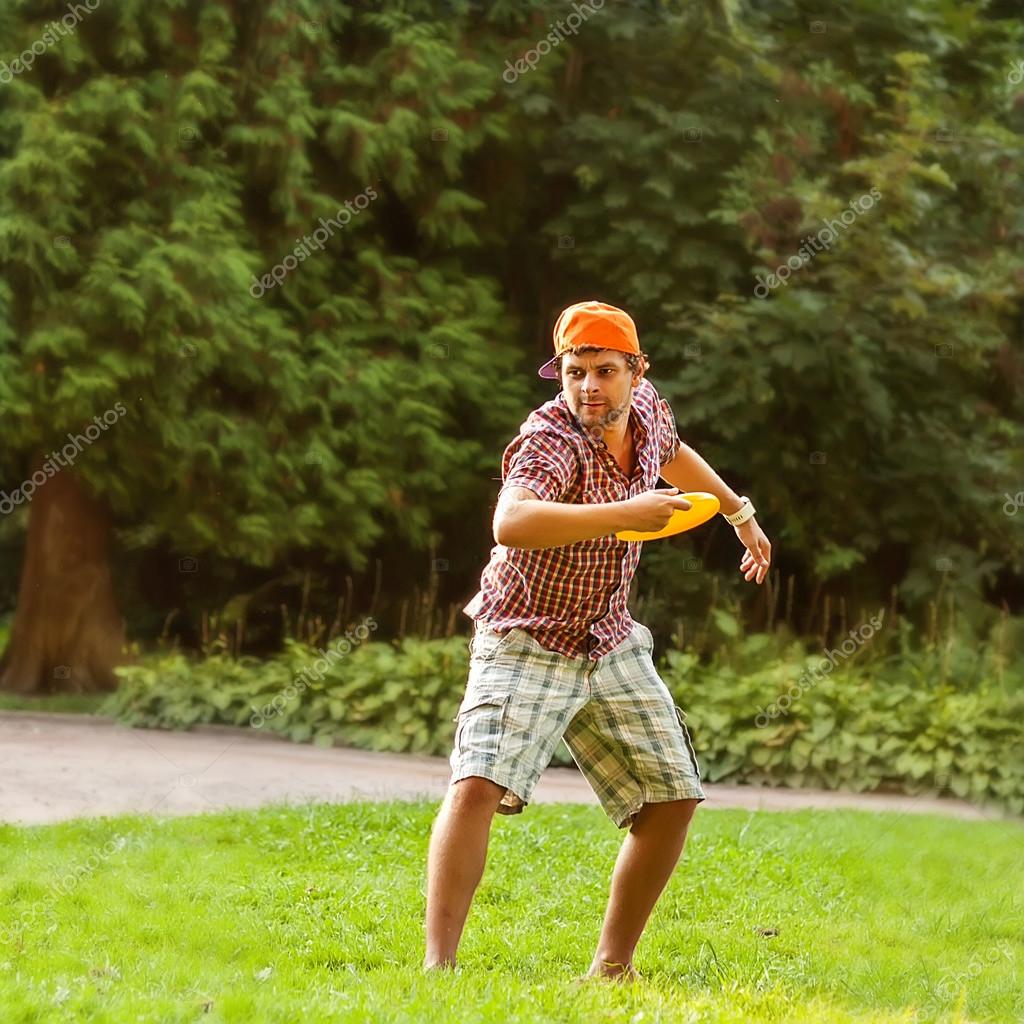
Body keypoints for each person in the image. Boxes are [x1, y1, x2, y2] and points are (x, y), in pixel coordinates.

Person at [423, 300, 772, 981]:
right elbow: (512, 522)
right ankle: (440, 971)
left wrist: (739, 512)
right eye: (576, 371)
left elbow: (673, 453)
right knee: (477, 784)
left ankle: (612, 968)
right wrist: (624, 513)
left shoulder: (648, 414)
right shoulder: (550, 438)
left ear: (637, 372)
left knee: (674, 795)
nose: (589, 387)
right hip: (524, 632)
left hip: (609, 636)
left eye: (605, 371)